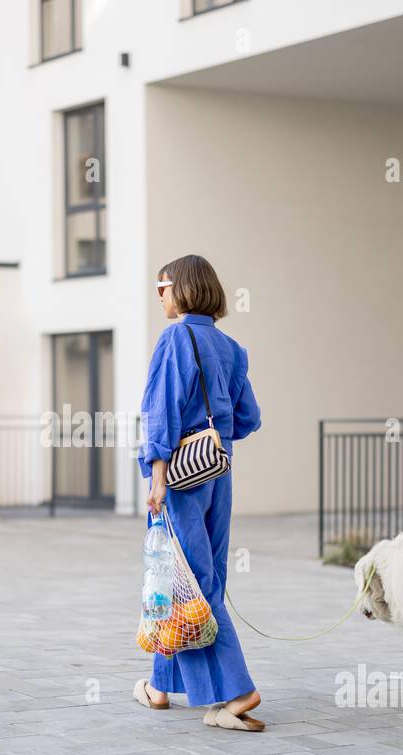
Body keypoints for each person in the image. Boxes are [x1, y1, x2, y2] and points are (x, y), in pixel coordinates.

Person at [132, 254, 264, 731]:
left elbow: (160, 409)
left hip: (180, 479)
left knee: (191, 581)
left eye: (162, 285)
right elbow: (249, 418)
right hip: (217, 472)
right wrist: (216, 436)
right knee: (183, 578)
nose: (159, 294)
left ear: (182, 288)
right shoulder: (231, 347)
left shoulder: (175, 338)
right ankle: (160, 686)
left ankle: (237, 692)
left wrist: (157, 473)